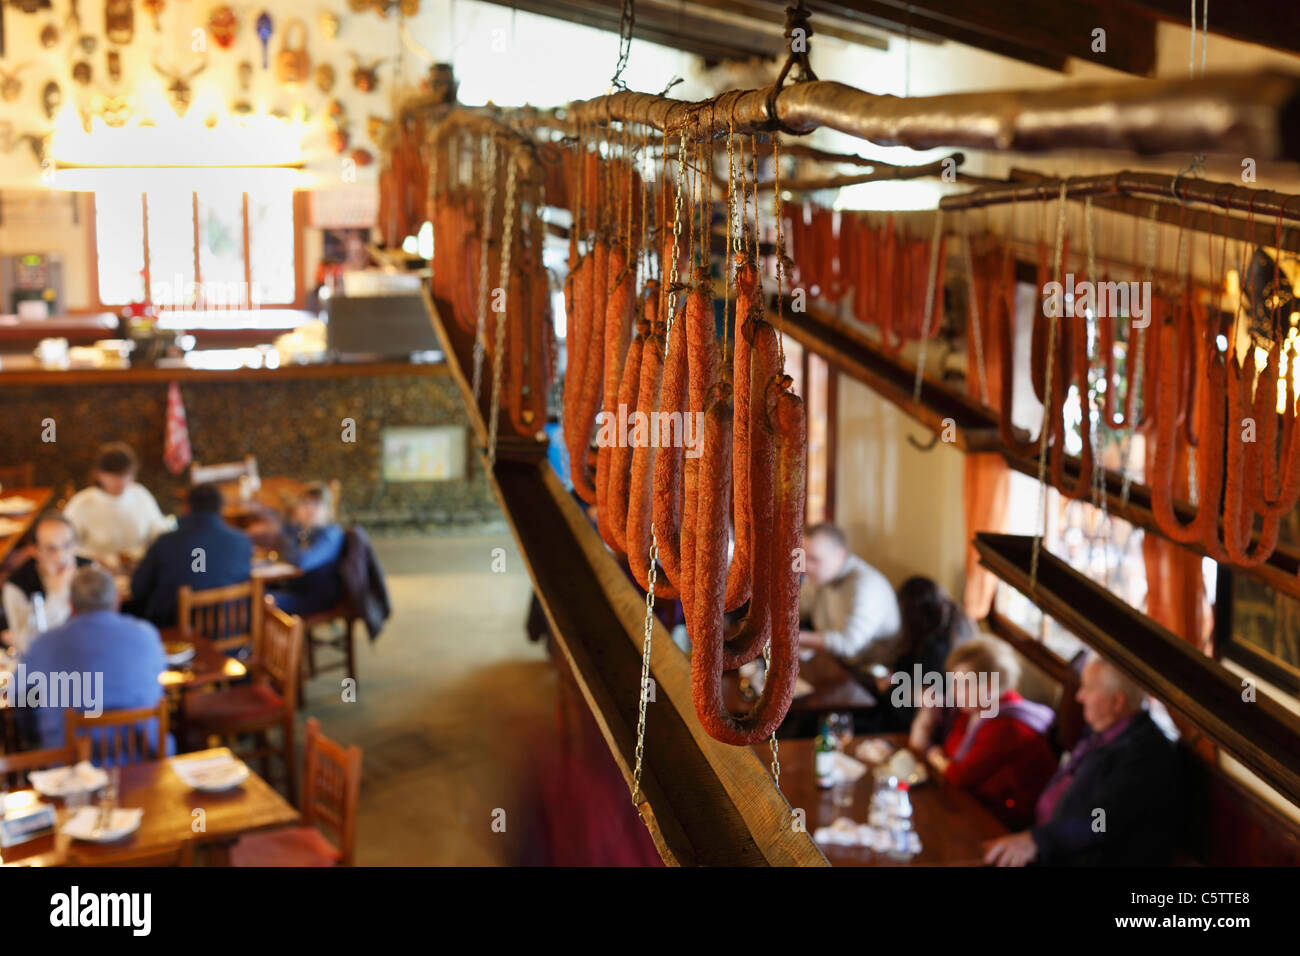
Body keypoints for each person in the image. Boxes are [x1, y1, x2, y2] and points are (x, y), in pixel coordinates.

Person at [983, 655, 1181, 866]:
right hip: (1047, 842)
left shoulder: (1146, 755)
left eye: (1087, 688)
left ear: (1117, 701)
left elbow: (1101, 822)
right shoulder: (1103, 728)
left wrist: (1038, 841)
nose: (1079, 696)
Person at [908, 636, 1058, 830]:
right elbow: (950, 754)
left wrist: (936, 757)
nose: (954, 692)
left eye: (963, 684)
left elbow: (959, 776)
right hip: (972, 806)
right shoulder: (973, 711)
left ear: (988, 686)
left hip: (1004, 823)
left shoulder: (1009, 726)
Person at [21, 566, 169, 754]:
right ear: (117, 602)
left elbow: (21, 700)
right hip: (146, 763)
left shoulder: (43, 644)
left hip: (69, 769)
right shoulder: (146, 635)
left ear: (71, 606)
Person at [128, 483, 251, 628]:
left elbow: (138, 588)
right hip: (230, 634)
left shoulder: (166, 542)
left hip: (177, 638)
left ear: (186, 508)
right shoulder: (242, 541)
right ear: (221, 509)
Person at [871, 577, 975, 732]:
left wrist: (889, 689)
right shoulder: (957, 623)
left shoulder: (935, 651)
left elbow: (915, 710)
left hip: (925, 725)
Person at [797, 522, 901, 669]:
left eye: (814, 559)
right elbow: (799, 610)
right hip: (836, 663)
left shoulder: (866, 584)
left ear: (840, 555)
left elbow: (849, 645)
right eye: (804, 558)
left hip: (870, 676)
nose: (805, 566)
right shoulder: (820, 575)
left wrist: (794, 637)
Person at [63, 442, 172, 569]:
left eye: (128, 475)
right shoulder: (82, 503)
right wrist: (94, 559)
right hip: (98, 574)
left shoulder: (140, 494)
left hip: (139, 568)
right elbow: (66, 545)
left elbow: (158, 530)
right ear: (99, 474)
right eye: (116, 477)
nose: (123, 481)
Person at [1, 513, 92, 656]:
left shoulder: (90, 570)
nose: (61, 556)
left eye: (67, 545)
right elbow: (28, 645)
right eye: (51, 549)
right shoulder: (16, 587)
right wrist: (56, 596)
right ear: (35, 550)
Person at [268, 483, 345, 617]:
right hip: (296, 589)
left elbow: (302, 561)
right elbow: (284, 550)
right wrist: (290, 523)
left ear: (328, 509)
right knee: (256, 593)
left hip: (315, 599)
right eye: (305, 503)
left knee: (261, 601)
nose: (309, 509)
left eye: (316, 504)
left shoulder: (330, 534)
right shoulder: (306, 531)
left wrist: (287, 525)